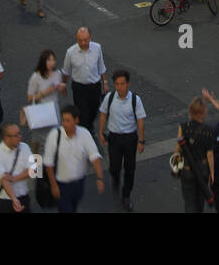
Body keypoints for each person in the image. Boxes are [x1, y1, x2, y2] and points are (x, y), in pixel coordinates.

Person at [98, 69, 146, 212]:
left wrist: (141, 141)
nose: (120, 87)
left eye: (122, 84)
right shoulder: (110, 98)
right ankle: (115, 177)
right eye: (117, 84)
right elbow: (103, 115)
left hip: (130, 138)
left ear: (128, 84)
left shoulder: (135, 100)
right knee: (114, 166)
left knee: (130, 169)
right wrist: (100, 132)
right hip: (114, 138)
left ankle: (126, 195)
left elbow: (140, 121)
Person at [42, 104, 105, 213]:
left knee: (74, 207)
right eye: (63, 120)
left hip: (79, 184)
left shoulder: (84, 134)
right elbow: (49, 164)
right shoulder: (54, 136)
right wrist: (54, 186)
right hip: (62, 185)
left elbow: (94, 157)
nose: (64, 124)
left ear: (76, 120)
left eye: (68, 120)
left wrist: (99, 178)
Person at [61, 27, 108, 135]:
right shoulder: (70, 52)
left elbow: (101, 66)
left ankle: (88, 126)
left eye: (85, 40)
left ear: (90, 38)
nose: (83, 43)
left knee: (94, 110)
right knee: (82, 114)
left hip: (94, 86)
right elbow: (66, 71)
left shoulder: (97, 48)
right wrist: (63, 84)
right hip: (79, 88)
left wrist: (104, 82)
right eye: (80, 40)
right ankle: (85, 134)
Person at [175, 97, 215, 212]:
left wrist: (175, 167)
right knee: (200, 199)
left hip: (187, 169)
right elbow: (209, 154)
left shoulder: (183, 126)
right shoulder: (209, 130)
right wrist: (212, 173)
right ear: (203, 113)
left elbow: (177, 149)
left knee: (189, 201)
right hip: (202, 170)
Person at [0, 123, 32, 213]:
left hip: (23, 196)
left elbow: (34, 171)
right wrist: (14, 200)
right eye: (16, 135)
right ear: (6, 138)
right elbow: (4, 180)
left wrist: (13, 178)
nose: (19, 137)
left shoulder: (25, 147)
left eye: (20, 133)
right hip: (4, 200)